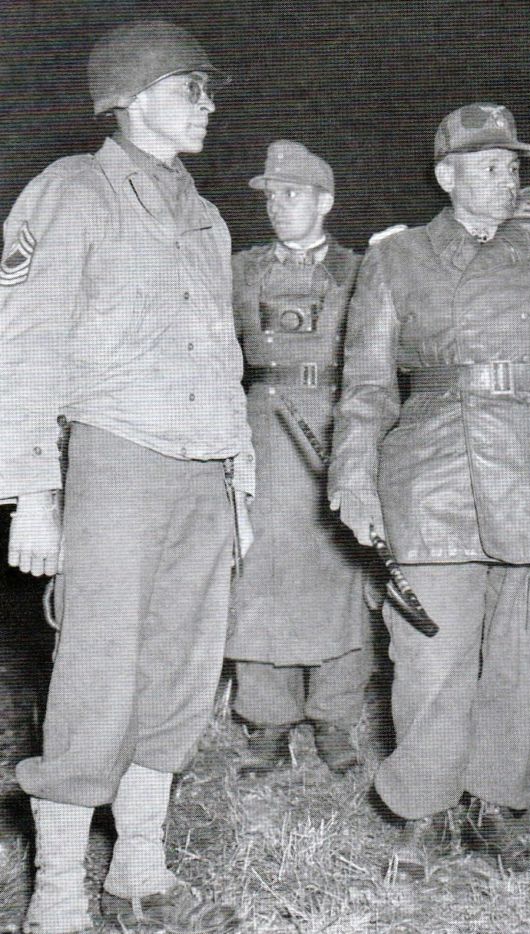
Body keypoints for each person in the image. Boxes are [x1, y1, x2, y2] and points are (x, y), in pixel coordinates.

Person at [328, 103, 530, 878]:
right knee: (431, 655)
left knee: (517, 657)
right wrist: (353, 480)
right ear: (446, 176)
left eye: (513, 166)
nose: (506, 177)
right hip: (433, 476)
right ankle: (425, 814)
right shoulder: (397, 262)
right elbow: (364, 385)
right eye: (488, 165)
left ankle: (497, 808)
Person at [0, 20, 249, 933]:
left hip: (204, 468)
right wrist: (31, 490)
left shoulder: (207, 217)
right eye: (193, 89)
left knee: (181, 669)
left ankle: (139, 858)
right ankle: (60, 888)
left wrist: (242, 484)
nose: (209, 106)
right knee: (96, 673)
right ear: (135, 98)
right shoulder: (71, 191)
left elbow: (223, 359)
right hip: (114, 458)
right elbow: (21, 351)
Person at [227, 141, 369, 777]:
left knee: (344, 572)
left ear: (326, 201)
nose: (280, 206)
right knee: (258, 571)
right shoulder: (241, 271)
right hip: (260, 425)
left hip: (338, 427)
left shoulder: (360, 271)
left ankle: (335, 719)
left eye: (294, 194)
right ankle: (267, 720)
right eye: (272, 195)